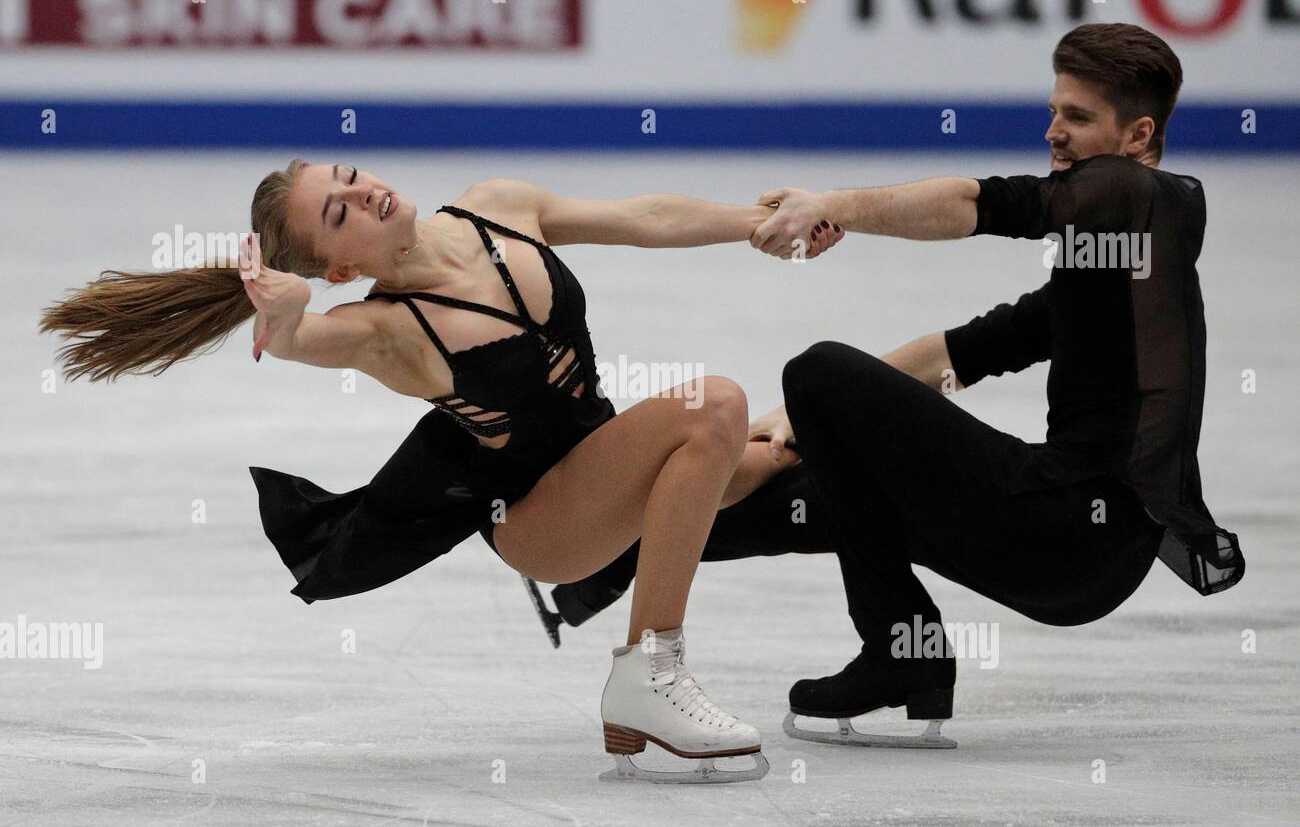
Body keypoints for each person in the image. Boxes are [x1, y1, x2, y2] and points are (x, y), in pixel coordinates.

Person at [38, 163, 842, 783]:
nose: (365, 195)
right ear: (343, 270)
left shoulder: (498, 205)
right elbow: (306, 343)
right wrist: (281, 324)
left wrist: (763, 223)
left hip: (607, 466)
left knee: (788, 450)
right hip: (541, 521)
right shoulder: (387, 329)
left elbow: (643, 217)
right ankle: (650, 672)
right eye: (339, 213)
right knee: (715, 405)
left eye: (353, 180)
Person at [738, 22, 1244, 746]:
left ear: (1137, 136)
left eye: (1077, 117)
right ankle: (616, 560)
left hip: (1070, 525)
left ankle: (894, 647)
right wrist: (799, 416)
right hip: (1087, 556)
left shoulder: (1137, 191)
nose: (1054, 133)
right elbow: (964, 352)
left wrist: (833, 206)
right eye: (1052, 112)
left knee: (821, 367)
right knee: (822, 494)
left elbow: (978, 204)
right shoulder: (1118, 261)